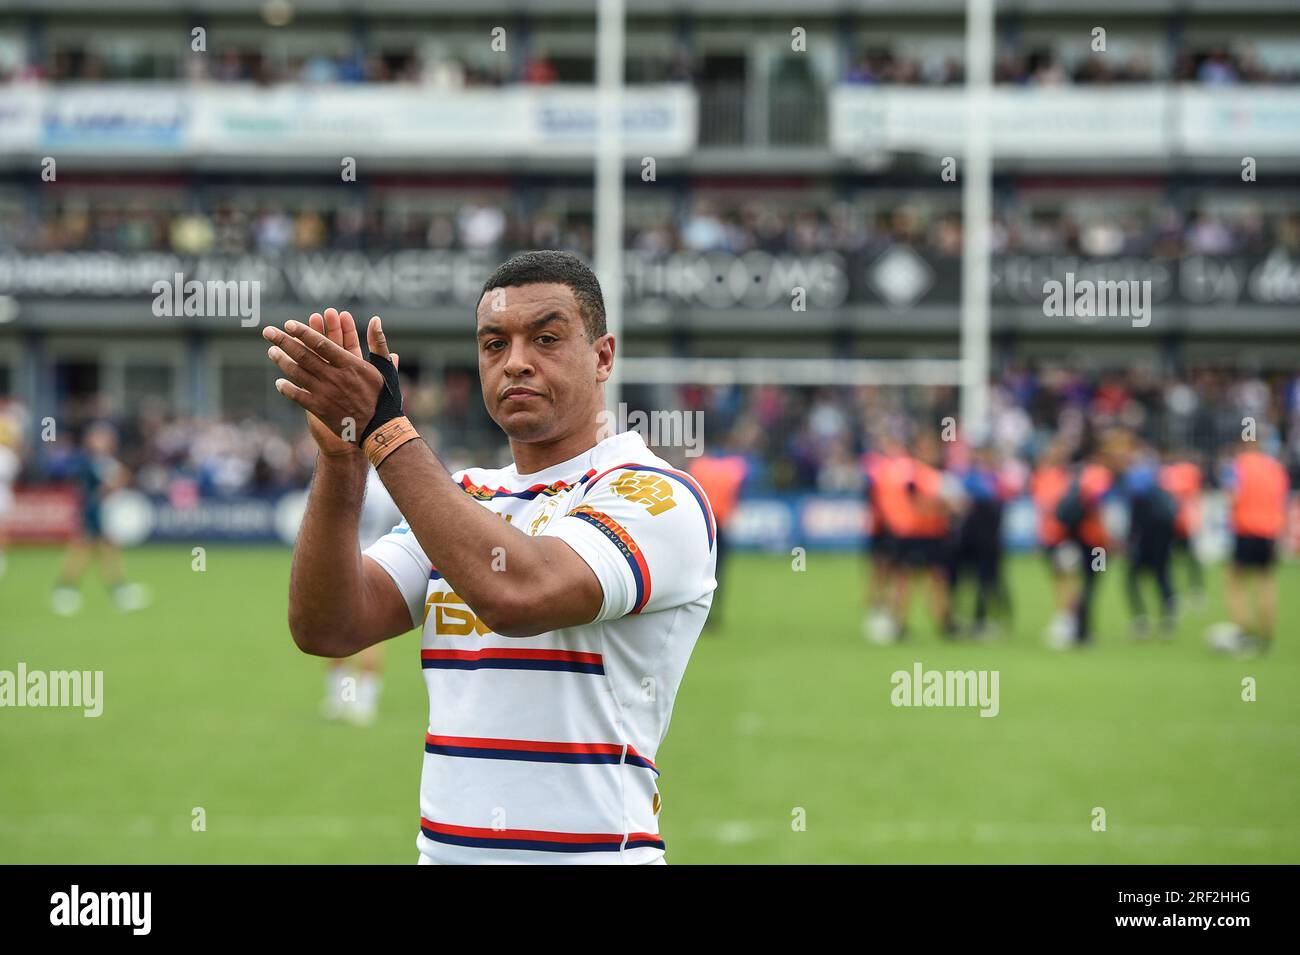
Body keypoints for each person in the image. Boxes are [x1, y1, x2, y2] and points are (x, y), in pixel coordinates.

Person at [262, 251, 717, 864]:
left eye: (547, 339)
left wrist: (384, 429)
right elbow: (329, 625)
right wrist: (343, 457)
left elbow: (519, 596)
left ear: (604, 355)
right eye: (494, 344)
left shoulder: (655, 492)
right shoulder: (469, 495)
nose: (517, 362)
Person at [320, 466, 400, 725]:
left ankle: (338, 698)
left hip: (343, 563)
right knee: (371, 636)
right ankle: (364, 703)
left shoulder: (344, 478)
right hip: (375, 560)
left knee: (334, 631)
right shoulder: (385, 486)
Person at [51, 422, 149, 615]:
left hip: (103, 513)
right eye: (100, 438)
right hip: (93, 512)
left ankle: (116, 589)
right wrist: (115, 484)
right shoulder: (88, 461)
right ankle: (65, 590)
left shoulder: (106, 460)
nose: (105, 441)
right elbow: (103, 486)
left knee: (107, 550)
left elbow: (122, 478)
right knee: (83, 550)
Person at [1220, 438, 1290, 655]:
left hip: (1246, 530)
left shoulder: (1238, 466)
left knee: (1235, 581)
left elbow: (1232, 497)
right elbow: (1282, 501)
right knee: (1265, 580)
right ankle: (1266, 634)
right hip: (1270, 532)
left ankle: (1244, 629)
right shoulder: (1275, 468)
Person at [686, 447, 747, 632]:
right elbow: (737, 494)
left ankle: (696, 613)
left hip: (703, 527)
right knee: (717, 574)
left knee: (698, 573)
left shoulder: (699, 466)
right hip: (720, 525)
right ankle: (714, 614)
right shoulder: (735, 468)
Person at [1121, 441, 1178, 638]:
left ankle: (1140, 619)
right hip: (1162, 542)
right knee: (1162, 577)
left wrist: (1129, 542)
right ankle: (1168, 618)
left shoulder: (1138, 489)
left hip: (1143, 542)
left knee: (1131, 580)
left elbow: (1134, 522)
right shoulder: (1163, 491)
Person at [1031, 441, 1078, 644]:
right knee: (1058, 579)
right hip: (1049, 537)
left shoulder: (1068, 480)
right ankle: (1065, 618)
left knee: (1067, 579)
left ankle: (1067, 619)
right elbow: (1041, 510)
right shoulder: (1042, 477)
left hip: (1065, 537)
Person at [1160, 451, 1205, 608]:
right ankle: (1183, 592)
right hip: (1175, 523)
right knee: (1179, 560)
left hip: (1181, 523)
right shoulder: (1170, 474)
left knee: (1187, 559)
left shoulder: (1171, 474)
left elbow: (1192, 497)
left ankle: (1193, 590)